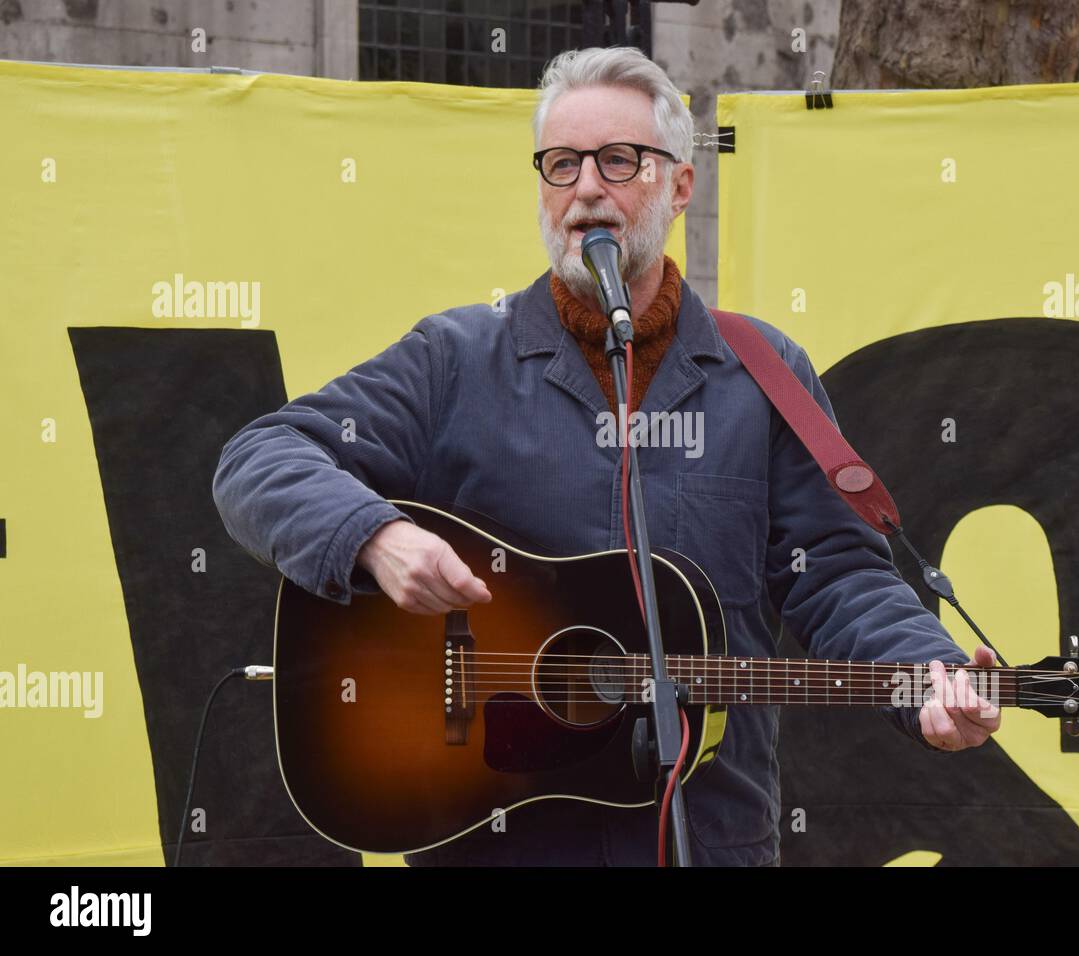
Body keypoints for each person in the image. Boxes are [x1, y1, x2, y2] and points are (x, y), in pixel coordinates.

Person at [212, 46, 999, 867]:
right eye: (560, 165)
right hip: (494, 842)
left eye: (619, 160)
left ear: (680, 185)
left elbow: (837, 570)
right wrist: (376, 538)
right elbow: (261, 455)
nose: (586, 188)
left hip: (708, 835)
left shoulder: (764, 374)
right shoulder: (455, 360)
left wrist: (926, 674)